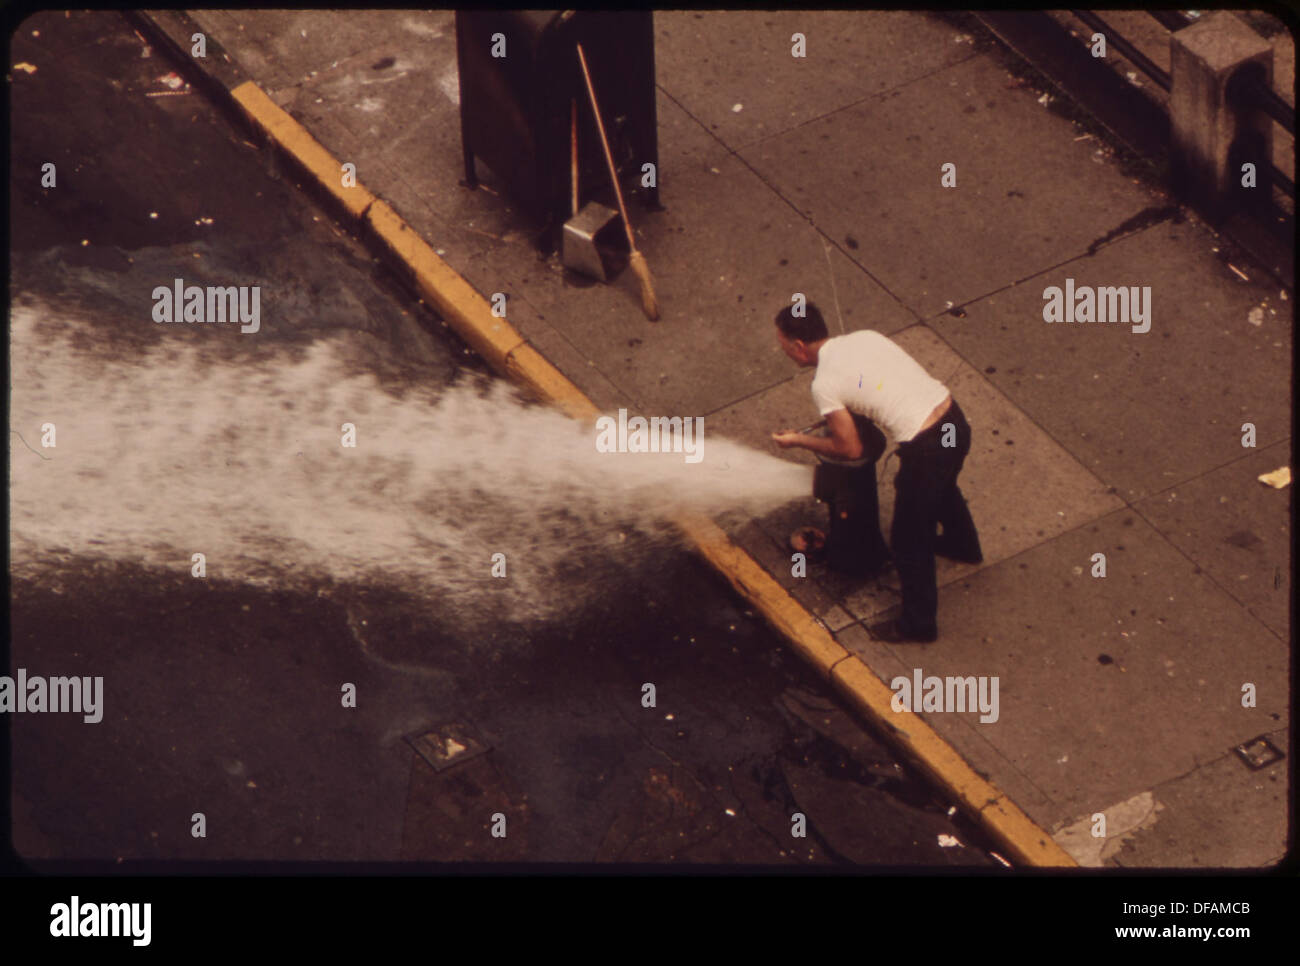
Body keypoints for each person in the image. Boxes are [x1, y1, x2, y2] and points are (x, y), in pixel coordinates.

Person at [771, 302, 982, 643]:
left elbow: (850, 449)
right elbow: (878, 384)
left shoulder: (824, 383)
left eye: (783, 346)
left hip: (926, 445)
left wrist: (798, 441)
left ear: (798, 347)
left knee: (908, 539)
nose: (784, 352)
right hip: (953, 421)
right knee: (942, 488)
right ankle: (963, 545)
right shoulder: (864, 337)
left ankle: (918, 625)